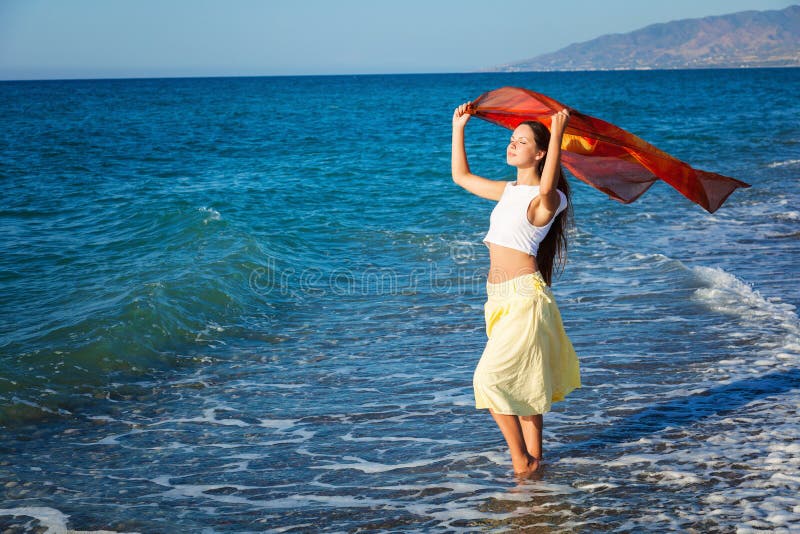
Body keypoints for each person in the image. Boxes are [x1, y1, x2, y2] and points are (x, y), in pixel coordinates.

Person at [451, 102, 581, 477]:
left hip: (525, 299)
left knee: (488, 381)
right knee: (524, 382)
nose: (512, 145)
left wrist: (557, 135)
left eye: (521, 141)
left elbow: (547, 185)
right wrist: (459, 127)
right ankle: (536, 462)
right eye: (511, 139)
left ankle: (520, 460)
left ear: (539, 154)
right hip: (499, 301)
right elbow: (461, 176)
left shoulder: (550, 200)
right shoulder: (508, 191)